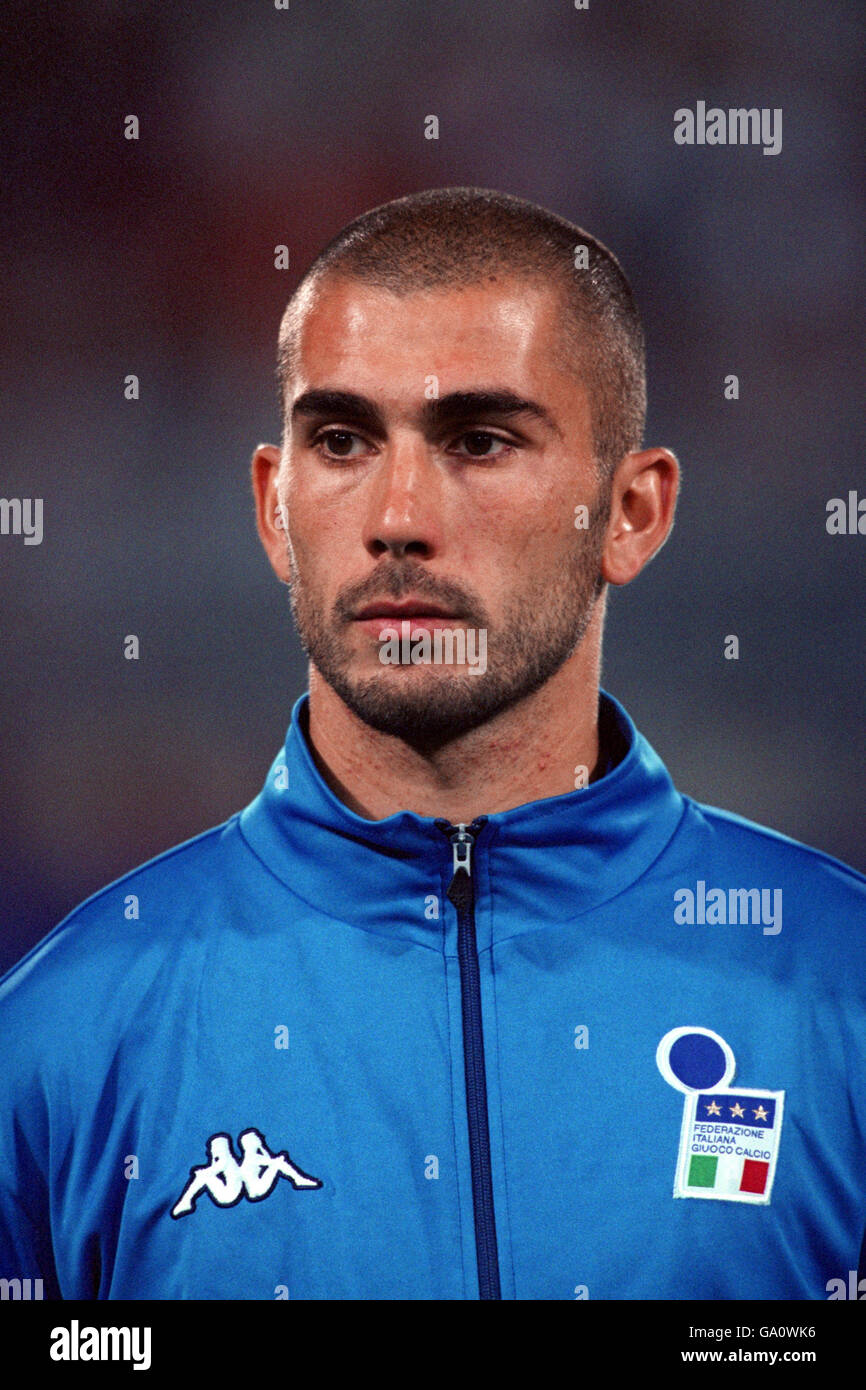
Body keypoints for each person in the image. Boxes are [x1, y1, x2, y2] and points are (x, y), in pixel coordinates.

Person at [1, 187, 864, 1302]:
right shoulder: (57, 1043)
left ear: (630, 513)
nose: (397, 512)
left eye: (479, 439)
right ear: (274, 508)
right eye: (343, 439)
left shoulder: (838, 994)